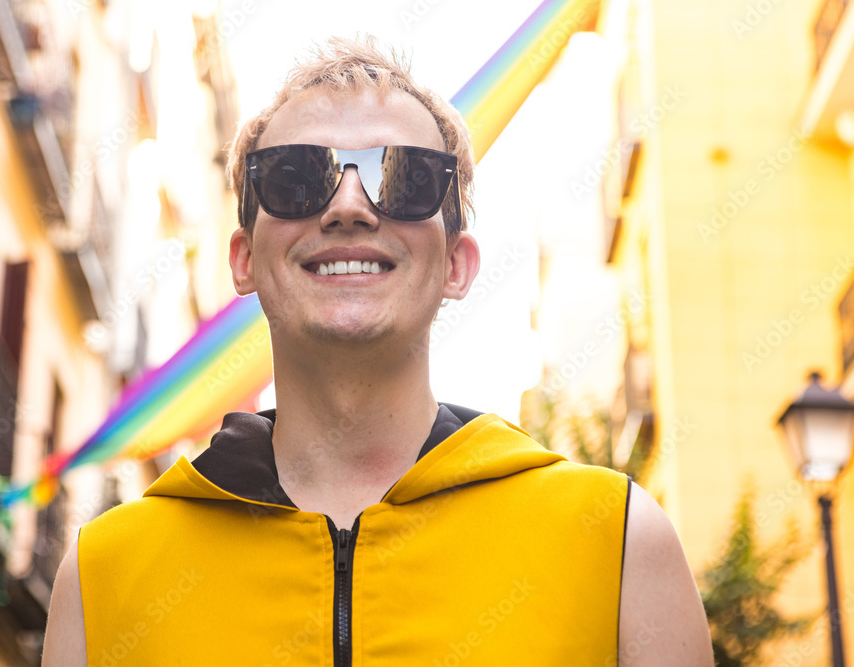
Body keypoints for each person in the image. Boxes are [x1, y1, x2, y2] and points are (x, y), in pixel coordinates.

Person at [43, 37, 713, 666]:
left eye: (405, 178)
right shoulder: (101, 577)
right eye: (296, 177)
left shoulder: (620, 545)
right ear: (242, 260)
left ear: (458, 264)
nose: (349, 205)